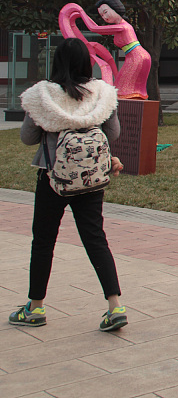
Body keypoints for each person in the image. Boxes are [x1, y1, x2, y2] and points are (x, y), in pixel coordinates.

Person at [10, 38, 128, 332]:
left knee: (44, 240)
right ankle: (115, 306)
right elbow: (113, 134)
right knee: (95, 237)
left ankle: (35, 307)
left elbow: (27, 138)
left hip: (52, 177)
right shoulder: (102, 94)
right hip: (91, 179)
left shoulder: (43, 96)